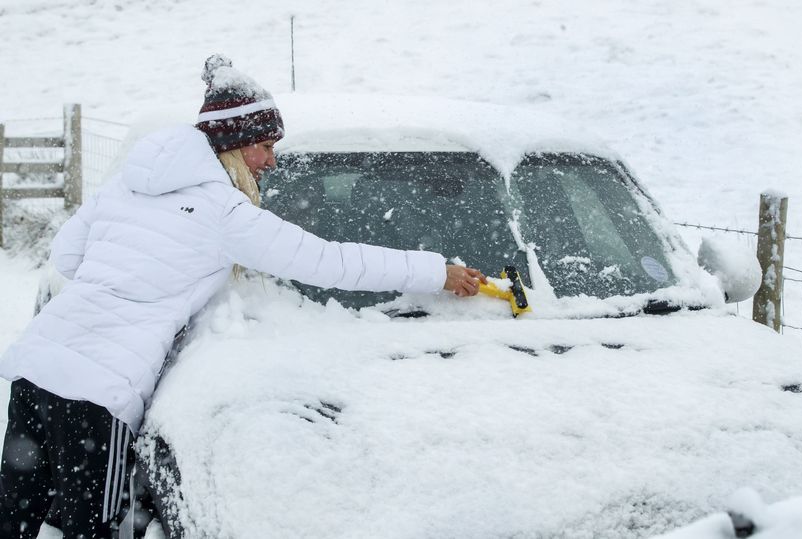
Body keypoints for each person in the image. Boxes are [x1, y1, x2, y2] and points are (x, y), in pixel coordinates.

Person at [0, 54, 486, 538]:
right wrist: (433, 272)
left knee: (14, 520)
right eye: (265, 146)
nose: (272, 160)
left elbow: (67, 258)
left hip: (36, 371)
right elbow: (329, 261)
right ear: (233, 145)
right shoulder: (223, 213)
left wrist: (123, 275)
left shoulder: (126, 186)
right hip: (96, 399)